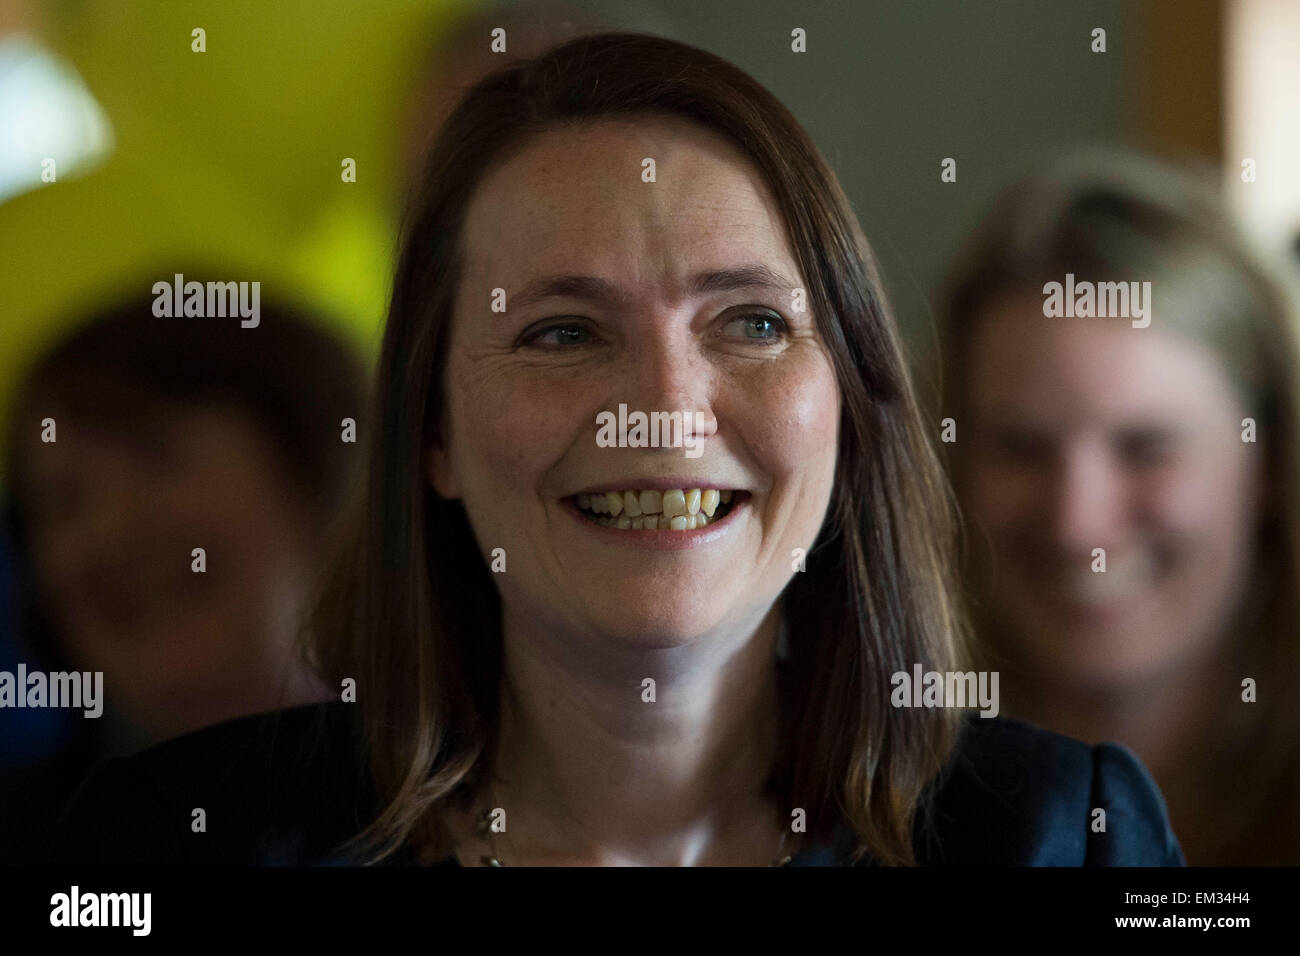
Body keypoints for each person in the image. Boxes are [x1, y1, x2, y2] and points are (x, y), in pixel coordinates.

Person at [48, 34, 1182, 867]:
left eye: (749, 321)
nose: (665, 408)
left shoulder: (1060, 831)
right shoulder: (164, 841)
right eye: (562, 332)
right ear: (431, 431)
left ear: (844, 393)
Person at [936, 147, 1300, 864]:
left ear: (1267, 462)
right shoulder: (875, 794)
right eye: (1020, 446)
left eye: (1146, 447)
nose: (1078, 524)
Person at [2, 283, 366, 863]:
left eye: (156, 455)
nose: (110, 533)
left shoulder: (494, 790)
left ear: (316, 473)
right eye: (62, 499)